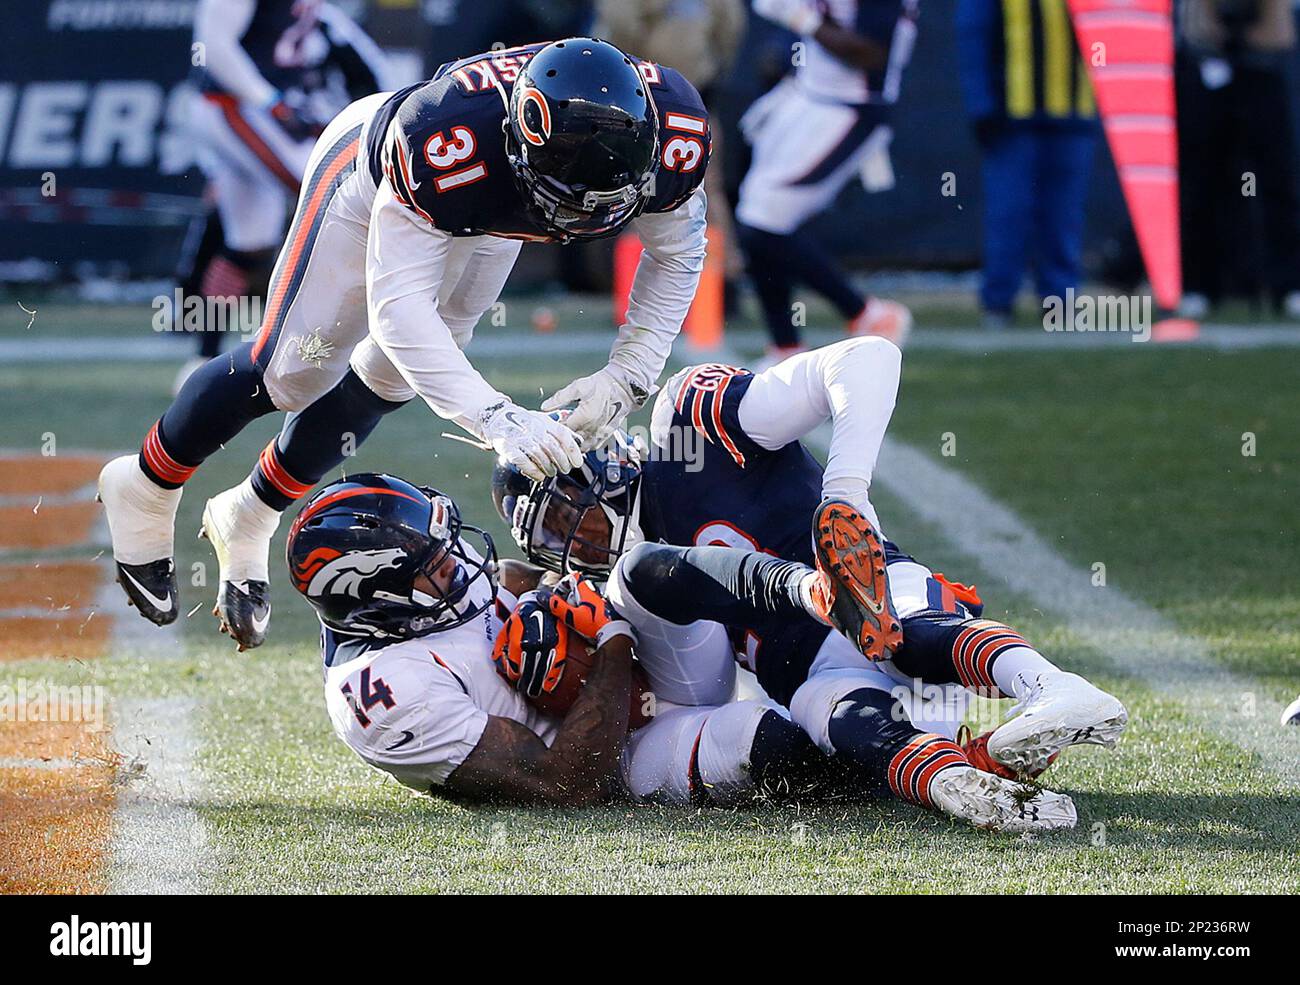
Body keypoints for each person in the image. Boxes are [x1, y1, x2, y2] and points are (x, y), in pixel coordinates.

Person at [98, 38, 711, 650]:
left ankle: (251, 512)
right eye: (567, 202)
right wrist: (496, 418)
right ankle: (146, 484)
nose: (578, 224)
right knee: (293, 370)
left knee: (393, 376)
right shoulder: (447, 142)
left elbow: (678, 251)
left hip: (496, 208)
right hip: (375, 180)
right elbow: (398, 311)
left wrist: (627, 373)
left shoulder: (674, 131)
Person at [492, 337, 1128, 790]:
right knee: (837, 715)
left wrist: (844, 494)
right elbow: (698, 692)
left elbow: (868, 356)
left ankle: (1049, 687)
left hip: (879, 596)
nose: (571, 541)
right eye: (548, 536)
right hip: (812, 672)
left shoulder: (688, 428)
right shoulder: (635, 581)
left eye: (562, 514)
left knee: (892, 636)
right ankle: (971, 780)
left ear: (594, 458)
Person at [287, 473, 832, 806]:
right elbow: (566, 785)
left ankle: (823, 606)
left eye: (444, 547)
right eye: (433, 568)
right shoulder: (383, 697)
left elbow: (507, 576)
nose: (455, 563)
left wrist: (550, 596)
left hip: (647, 670)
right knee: (771, 743)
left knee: (650, 570)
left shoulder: (432, 583)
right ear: (378, 601)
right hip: (620, 754)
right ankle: (886, 747)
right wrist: (611, 643)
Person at [180, 0, 393, 382]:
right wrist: (270, 101)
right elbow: (213, 47)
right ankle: (345, 335)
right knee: (336, 194)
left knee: (249, 243)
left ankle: (204, 359)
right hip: (235, 103)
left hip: (266, 105)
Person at [736, 0, 918, 362]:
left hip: (851, 108)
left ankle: (869, 314)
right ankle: (785, 347)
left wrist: (798, 17)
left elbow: (871, 54)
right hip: (807, 96)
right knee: (756, 217)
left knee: (763, 223)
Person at [955, 0, 1099, 328]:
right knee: (1009, 211)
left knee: (1064, 214)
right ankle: (999, 300)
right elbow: (973, 34)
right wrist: (981, 104)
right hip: (1012, 115)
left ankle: (1059, 301)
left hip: (1075, 112)